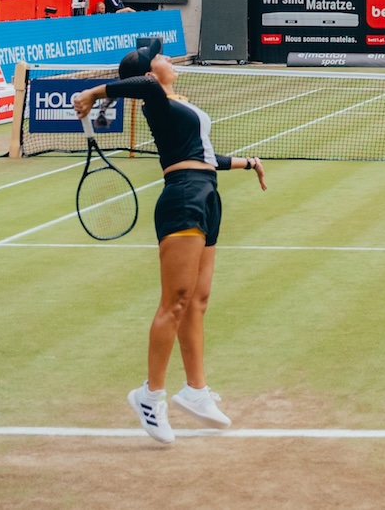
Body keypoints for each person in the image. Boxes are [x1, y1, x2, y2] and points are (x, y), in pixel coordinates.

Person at [72, 43, 267, 443]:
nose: (167, 60)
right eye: (159, 58)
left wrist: (247, 162)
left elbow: (204, 155)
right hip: (181, 197)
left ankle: (195, 393)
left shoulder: (178, 102)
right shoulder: (154, 98)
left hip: (207, 193)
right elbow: (139, 87)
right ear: (147, 72)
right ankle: (149, 394)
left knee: (198, 299)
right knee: (175, 299)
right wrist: (93, 93)